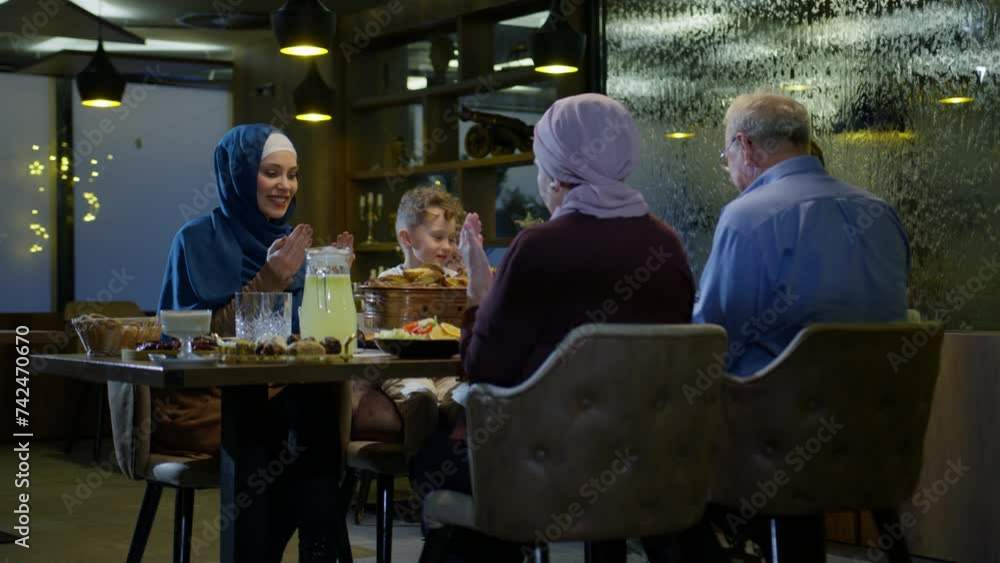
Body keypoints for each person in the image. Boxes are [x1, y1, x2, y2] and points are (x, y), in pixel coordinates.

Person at [411, 93, 698, 562]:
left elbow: (486, 370)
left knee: (432, 461)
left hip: (549, 467)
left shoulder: (539, 248)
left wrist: (479, 303)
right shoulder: (666, 246)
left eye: (540, 163)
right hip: (648, 464)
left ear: (558, 174)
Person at [156, 124, 352, 562]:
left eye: (293, 174)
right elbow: (194, 342)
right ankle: (302, 552)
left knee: (317, 408)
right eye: (271, 173)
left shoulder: (289, 248)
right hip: (206, 403)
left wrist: (332, 281)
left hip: (276, 400)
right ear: (239, 175)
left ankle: (298, 553)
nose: (285, 186)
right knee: (298, 430)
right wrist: (270, 280)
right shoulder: (196, 240)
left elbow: (304, 339)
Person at [695, 92, 910, 377]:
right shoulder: (882, 214)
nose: (729, 171)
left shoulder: (745, 217)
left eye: (726, 158)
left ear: (744, 146)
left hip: (774, 413)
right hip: (884, 410)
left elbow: (711, 342)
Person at [377, 186, 465, 459]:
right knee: (421, 398)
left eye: (451, 239)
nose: (447, 247)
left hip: (446, 369)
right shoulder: (388, 282)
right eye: (438, 237)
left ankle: (459, 480)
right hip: (402, 369)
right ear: (407, 238)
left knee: (466, 400)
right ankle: (419, 474)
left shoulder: (455, 281)